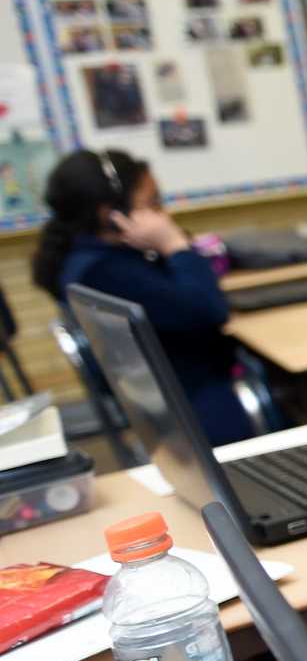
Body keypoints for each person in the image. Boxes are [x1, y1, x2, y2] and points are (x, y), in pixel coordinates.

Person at [32, 147, 253, 444]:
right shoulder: (104, 272)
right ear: (110, 214)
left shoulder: (91, 258)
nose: (164, 214)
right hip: (194, 408)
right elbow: (210, 309)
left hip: (175, 398)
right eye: (153, 203)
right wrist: (174, 244)